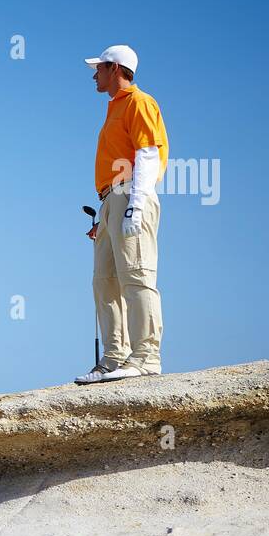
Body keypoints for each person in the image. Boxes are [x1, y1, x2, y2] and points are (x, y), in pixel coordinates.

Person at [74, 45, 169, 385]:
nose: (94, 74)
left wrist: (135, 205)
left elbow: (147, 154)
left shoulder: (140, 102)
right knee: (105, 281)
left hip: (131, 192)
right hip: (111, 198)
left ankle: (146, 357)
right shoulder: (115, 107)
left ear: (115, 68)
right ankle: (115, 357)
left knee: (137, 276)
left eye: (98, 67)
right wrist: (108, 214)